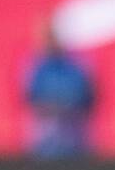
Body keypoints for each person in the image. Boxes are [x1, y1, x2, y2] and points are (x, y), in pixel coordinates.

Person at [24, 18, 96, 159]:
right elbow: (30, 100)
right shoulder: (34, 68)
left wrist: (64, 107)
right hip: (44, 146)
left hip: (76, 143)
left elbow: (88, 99)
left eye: (51, 36)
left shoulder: (78, 67)